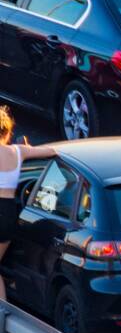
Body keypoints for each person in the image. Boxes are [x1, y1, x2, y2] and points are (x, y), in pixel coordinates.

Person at [0, 107, 57, 302]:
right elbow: (51, 150)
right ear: (7, 132)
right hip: (8, 214)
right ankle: (2, 313)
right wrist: (27, 147)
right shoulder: (17, 152)